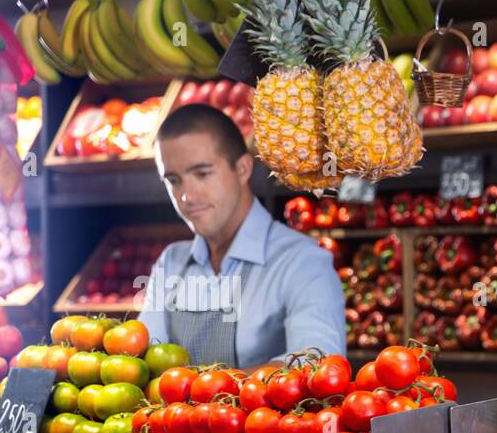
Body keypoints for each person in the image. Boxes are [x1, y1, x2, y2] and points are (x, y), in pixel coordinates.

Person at [138, 104, 346, 368]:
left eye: (202, 174)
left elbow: (318, 364)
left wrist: (203, 390)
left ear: (243, 169)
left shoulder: (302, 262)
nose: (186, 196)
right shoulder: (171, 262)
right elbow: (142, 360)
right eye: (173, 180)